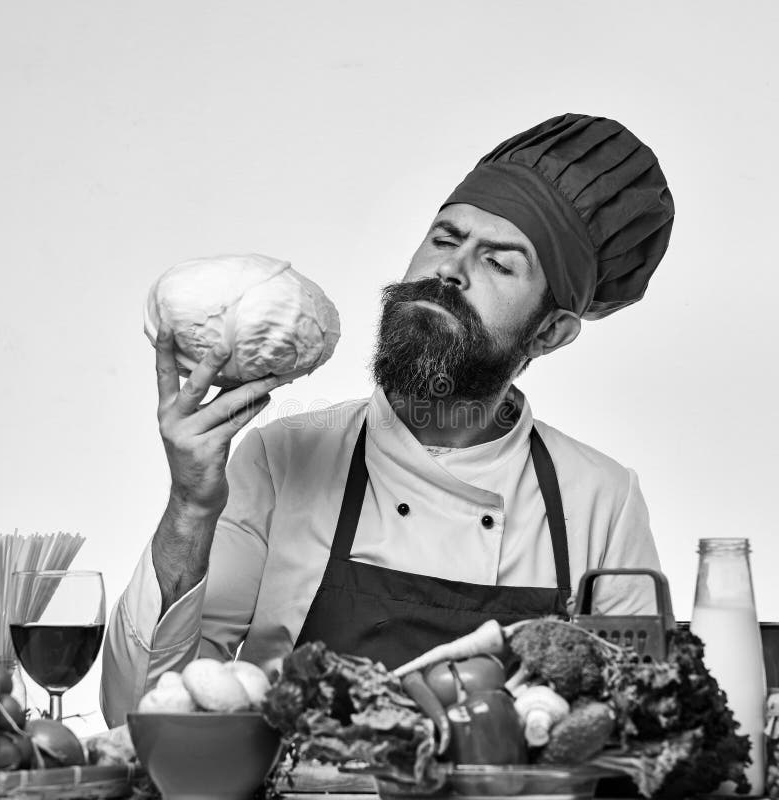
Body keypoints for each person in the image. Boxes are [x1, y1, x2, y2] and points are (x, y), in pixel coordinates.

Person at [101, 113, 674, 727]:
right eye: (445, 238)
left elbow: (640, 724)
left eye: (499, 263)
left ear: (552, 332)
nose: (449, 270)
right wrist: (189, 505)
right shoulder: (282, 458)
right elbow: (141, 711)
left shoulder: (602, 500)